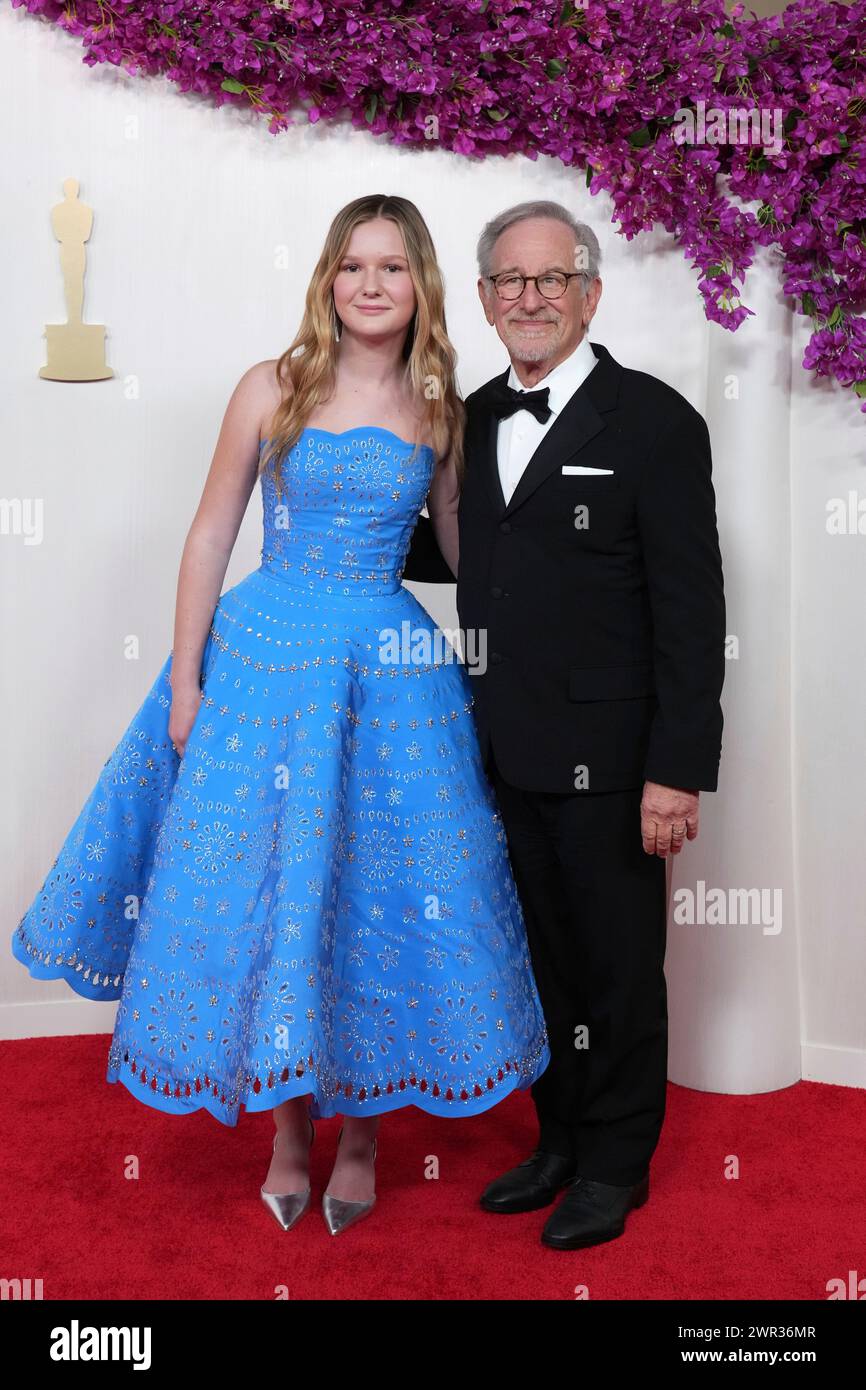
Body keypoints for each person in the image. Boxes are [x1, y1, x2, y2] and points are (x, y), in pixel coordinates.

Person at [11, 194, 550, 1237]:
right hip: (259, 660)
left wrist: (530, 652)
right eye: (352, 265)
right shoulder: (271, 384)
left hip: (384, 675)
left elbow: (468, 554)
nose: (370, 284)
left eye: (392, 266)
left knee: (373, 897)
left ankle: (360, 1137)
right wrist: (183, 679)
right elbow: (212, 530)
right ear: (327, 278)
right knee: (269, 888)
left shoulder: (440, 406)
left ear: (421, 284)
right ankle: (288, 1128)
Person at [404, 199, 726, 1250]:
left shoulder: (654, 422)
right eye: (509, 280)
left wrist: (674, 770)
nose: (530, 297)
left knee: (616, 966)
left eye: (552, 278)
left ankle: (616, 1163)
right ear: (486, 299)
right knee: (538, 962)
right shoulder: (466, 417)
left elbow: (690, 610)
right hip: (498, 750)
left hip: (616, 761)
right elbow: (439, 553)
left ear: (590, 291)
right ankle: (558, 1139)